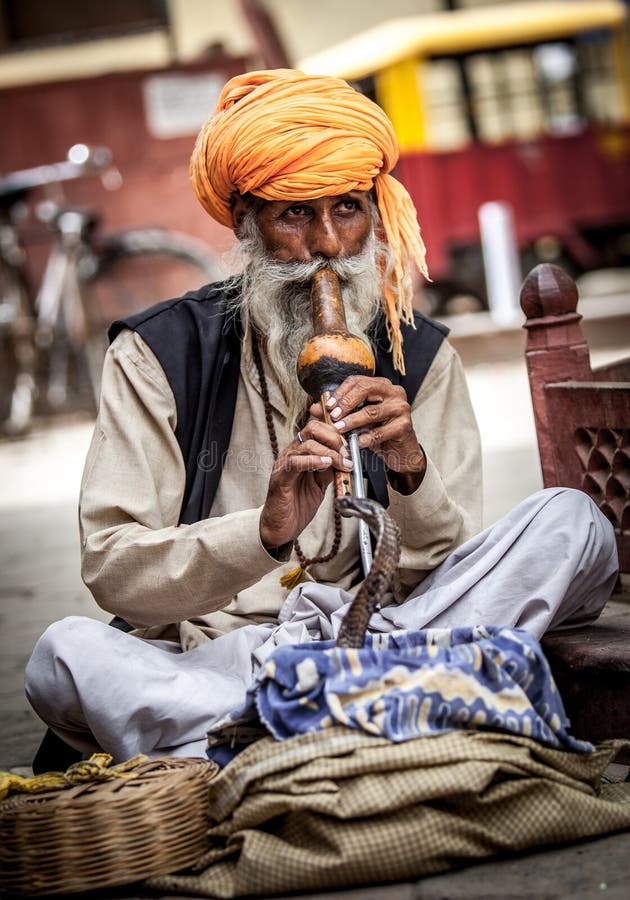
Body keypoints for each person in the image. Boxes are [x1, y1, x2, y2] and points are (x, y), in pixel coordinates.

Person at [25, 69, 618, 764]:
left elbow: (446, 570)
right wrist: (263, 532)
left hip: (390, 634)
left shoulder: (421, 356)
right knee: (64, 657)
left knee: (572, 523)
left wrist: (411, 471)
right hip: (224, 657)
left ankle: (275, 731)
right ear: (245, 222)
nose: (330, 245)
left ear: (375, 212)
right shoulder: (158, 353)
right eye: (295, 215)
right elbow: (114, 570)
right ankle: (394, 709)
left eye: (348, 209)